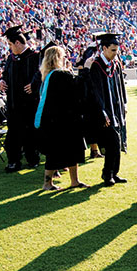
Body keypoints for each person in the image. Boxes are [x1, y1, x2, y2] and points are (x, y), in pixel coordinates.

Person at [33, 45, 89, 191]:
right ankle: (48, 183)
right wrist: (84, 70)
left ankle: (73, 181)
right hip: (62, 121)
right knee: (59, 151)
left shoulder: (48, 75)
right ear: (57, 58)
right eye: (64, 56)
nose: (66, 59)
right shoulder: (60, 75)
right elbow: (78, 88)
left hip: (55, 120)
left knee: (68, 150)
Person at [85, 32, 128, 186]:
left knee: (117, 142)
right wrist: (103, 112)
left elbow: (120, 86)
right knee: (113, 143)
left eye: (117, 50)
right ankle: (107, 174)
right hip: (104, 112)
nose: (116, 54)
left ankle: (114, 173)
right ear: (104, 48)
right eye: (113, 50)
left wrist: (124, 105)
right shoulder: (96, 66)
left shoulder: (115, 64)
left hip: (116, 110)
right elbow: (95, 92)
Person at [2, 25, 41, 173]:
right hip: (13, 103)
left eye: (11, 44)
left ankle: (33, 158)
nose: (10, 48)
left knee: (30, 132)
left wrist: (34, 84)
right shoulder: (10, 59)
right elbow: (5, 74)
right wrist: (2, 81)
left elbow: (41, 75)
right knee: (13, 132)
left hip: (30, 103)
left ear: (18, 43)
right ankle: (13, 161)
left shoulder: (35, 57)